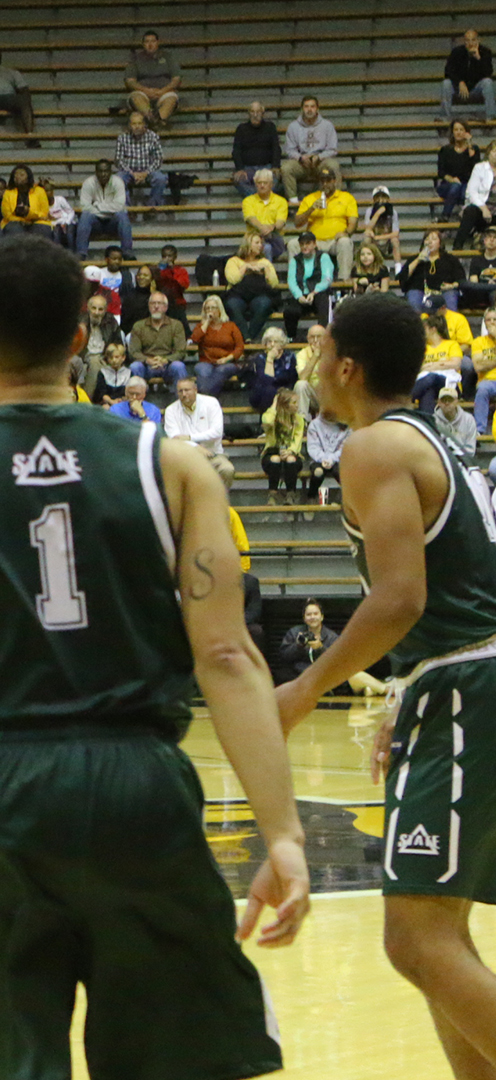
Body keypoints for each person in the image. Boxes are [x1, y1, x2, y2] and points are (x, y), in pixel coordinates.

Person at [0, 235, 307, 1080]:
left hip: (6, 791)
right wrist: (282, 834)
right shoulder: (173, 466)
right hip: (144, 783)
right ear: (82, 338)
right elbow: (231, 658)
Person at [268, 293, 496, 1080]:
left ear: (348, 367)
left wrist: (303, 689)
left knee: (415, 939)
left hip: (471, 687)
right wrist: (412, 689)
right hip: (464, 679)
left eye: (319, 349)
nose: (311, 362)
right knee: (441, 929)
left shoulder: (372, 448)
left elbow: (401, 597)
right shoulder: (435, 440)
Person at [166, 375, 236, 484]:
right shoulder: (171, 410)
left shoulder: (211, 403)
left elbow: (217, 432)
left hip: (213, 454)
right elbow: (174, 438)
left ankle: (218, 500)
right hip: (185, 457)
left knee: (227, 469)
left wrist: (189, 437)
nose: (184, 394)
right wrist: (196, 447)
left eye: (187, 390)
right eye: (180, 391)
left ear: (195, 390)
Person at [224, 231, 281, 345]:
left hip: (259, 295)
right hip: (238, 295)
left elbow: (274, 283)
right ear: (248, 245)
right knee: (232, 305)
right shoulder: (234, 261)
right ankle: (246, 337)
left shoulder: (264, 262)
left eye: (261, 243)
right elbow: (232, 279)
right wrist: (245, 268)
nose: (260, 245)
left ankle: (248, 338)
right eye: (257, 242)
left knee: (264, 304)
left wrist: (266, 270)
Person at [279, 96, 339, 199]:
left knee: (333, 166)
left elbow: (332, 149)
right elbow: (290, 150)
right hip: (301, 162)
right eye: (306, 106)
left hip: (321, 161)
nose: (309, 109)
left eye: (312, 106)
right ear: (302, 109)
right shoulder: (293, 126)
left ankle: (334, 200)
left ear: (317, 109)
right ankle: (293, 202)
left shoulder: (327, 125)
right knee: (286, 168)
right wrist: (300, 158)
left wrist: (319, 157)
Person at [73, 159, 133, 259]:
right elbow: (84, 206)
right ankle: (81, 253)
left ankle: (127, 252)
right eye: (100, 171)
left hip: (112, 222)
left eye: (106, 171)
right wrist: (108, 209)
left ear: (111, 172)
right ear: (96, 172)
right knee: (85, 216)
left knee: (122, 215)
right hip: (96, 223)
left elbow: (119, 206)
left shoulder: (118, 182)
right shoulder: (88, 183)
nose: (103, 174)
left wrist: (97, 205)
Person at [123, 29, 182, 128]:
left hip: (164, 92)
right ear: (143, 44)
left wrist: (162, 91)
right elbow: (130, 81)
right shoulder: (135, 58)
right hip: (143, 92)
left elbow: (176, 79)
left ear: (158, 42)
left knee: (172, 99)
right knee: (136, 98)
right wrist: (146, 90)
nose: (150, 44)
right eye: (147, 42)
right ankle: (154, 121)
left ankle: (153, 122)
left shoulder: (168, 57)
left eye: (153, 41)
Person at [402, 228, 465, 313]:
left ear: (440, 243)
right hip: (420, 291)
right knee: (413, 298)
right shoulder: (414, 259)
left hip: (444, 291)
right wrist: (418, 260)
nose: (430, 242)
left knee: (451, 297)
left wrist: (452, 285)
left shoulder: (450, 259)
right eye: (427, 239)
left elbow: (461, 279)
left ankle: (450, 325)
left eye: (434, 239)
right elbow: (403, 277)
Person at [442, 28, 496, 125]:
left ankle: (490, 117)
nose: (470, 43)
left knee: (488, 82)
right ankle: (445, 118)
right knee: (446, 84)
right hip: (459, 88)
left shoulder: (485, 52)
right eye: (467, 40)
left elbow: (488, 73)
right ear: (464, 41)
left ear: (478, 40)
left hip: (476, 88)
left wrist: (478, 58)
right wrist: (460, 82)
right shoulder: (457, 52)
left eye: (473, 40)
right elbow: (448, 71)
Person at [114, 111, 168, 206]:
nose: (137, 126)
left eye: (139, 123)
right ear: (130, 125)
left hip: (148, 171)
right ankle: (127, 209)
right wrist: (132, 173)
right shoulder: (122, 138)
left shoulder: (153, 137)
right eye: (134, 124)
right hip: (128, 171)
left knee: (161, 179)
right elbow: (119, 160)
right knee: (118, 179)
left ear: (144, 124)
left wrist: (146, 172)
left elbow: (158, 159)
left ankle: (151, 207)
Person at [230, 101, 281, 198]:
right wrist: (240, 169)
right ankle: (257, 198)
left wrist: (275, 166)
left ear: (263, 112)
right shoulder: (241, 129)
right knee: (238, 179)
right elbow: (236, 151)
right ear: (248, 113)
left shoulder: (270, 127)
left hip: (267, 168)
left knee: (276, 177)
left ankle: (256, 199)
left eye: (258, 112)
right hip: (247, 169)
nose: (255, 115)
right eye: (252, 112)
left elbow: (276, 148)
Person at [242, 167, 290, 261]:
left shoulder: (281, 201)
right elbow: (251, 218)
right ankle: (268, 273)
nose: (262, 186)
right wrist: (262, 228)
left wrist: (271, 228)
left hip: (275, 238)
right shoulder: (248, 201)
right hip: (254, 238)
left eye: (265, 183)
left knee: (270, 245)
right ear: (255, 185)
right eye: (259, 183)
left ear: (271, 184)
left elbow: (280, 222)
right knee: (266, 248)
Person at [456, 142, 496, 250]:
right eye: (494, 151)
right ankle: (457, 247)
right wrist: (483, 208)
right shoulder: (480, 168)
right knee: (470, 211)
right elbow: (471, 192)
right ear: (489, 153)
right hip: (481, 208)